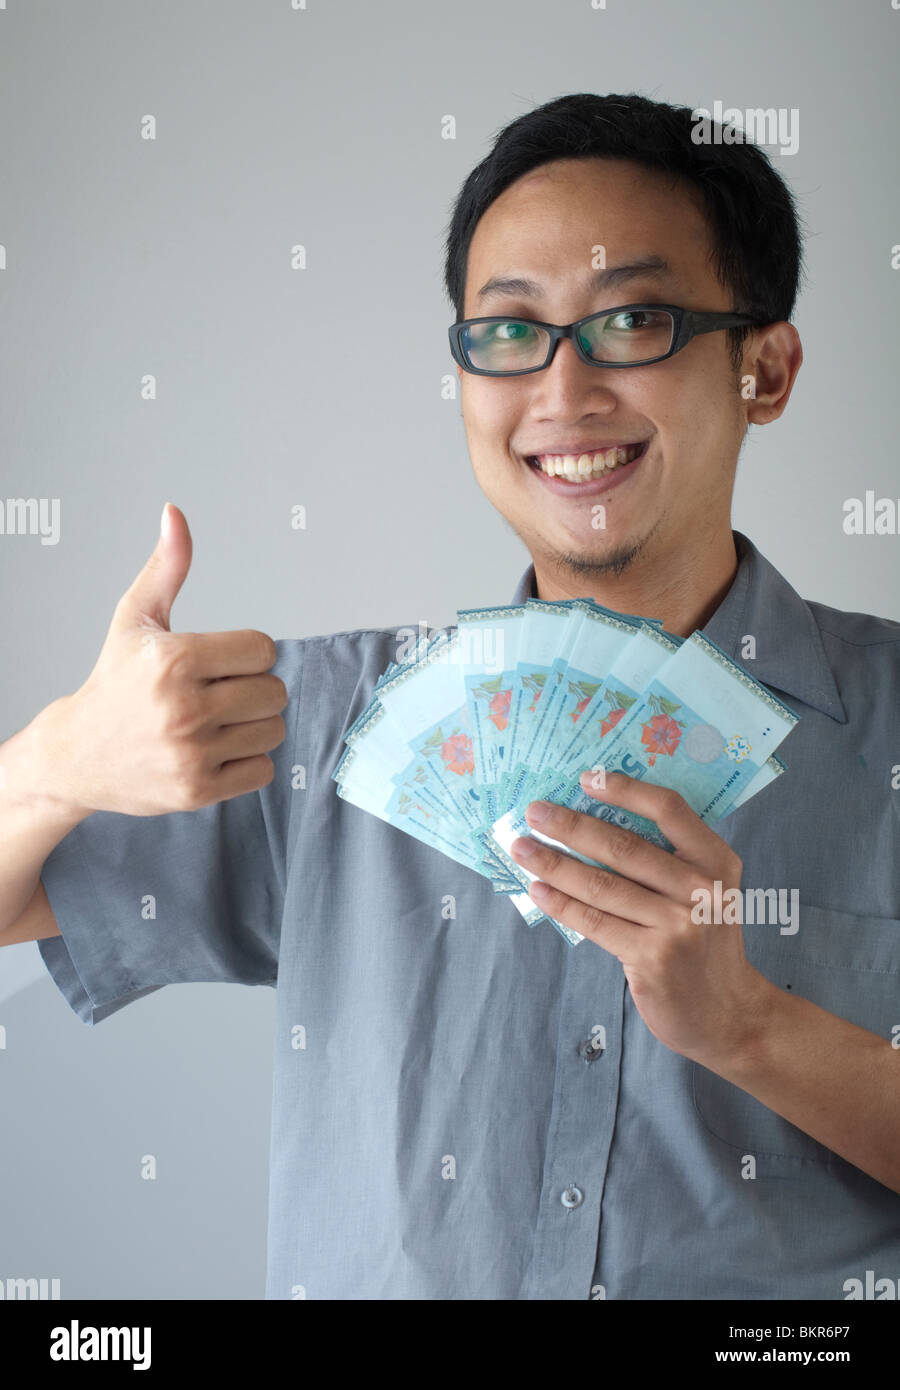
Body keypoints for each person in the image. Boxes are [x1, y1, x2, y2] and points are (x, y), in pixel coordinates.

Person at [2, 91, 898, 1301]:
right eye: (509, 333)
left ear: (766, 368)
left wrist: (749, 1026)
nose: (564, 391)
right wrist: (52, 764)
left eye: (634, 318)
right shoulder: (323, 721)